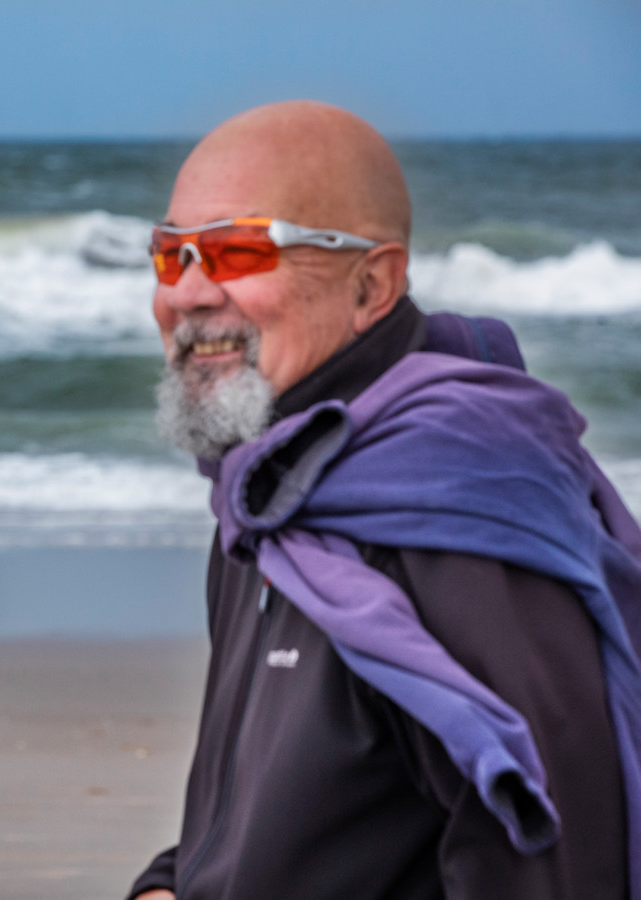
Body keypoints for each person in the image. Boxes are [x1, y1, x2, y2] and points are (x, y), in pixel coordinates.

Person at [131, 101, 641, 899]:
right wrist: (166, 884)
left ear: (372, 282)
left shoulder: (462, 506)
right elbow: (264, 821)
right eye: (170, 256)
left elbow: (554, 860)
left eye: (236, 251)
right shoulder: (268, 490)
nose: (188, 294)